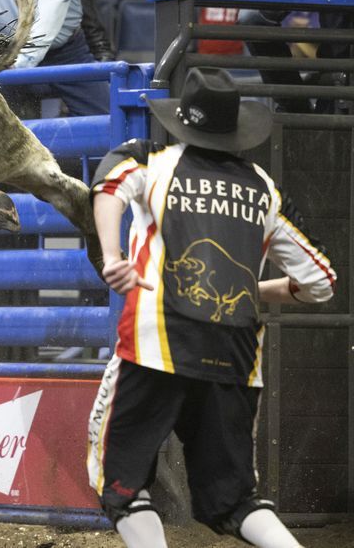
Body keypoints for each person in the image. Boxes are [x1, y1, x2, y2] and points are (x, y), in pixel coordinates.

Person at [86, 67, 335, 548]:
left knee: (119, 484)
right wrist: (249, 287)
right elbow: (320, 282)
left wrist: (113, 257)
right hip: (236, 357)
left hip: (157, 343)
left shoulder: (151, 159)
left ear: (182, 120)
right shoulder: (264, 188)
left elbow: (108, 184)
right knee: (235, 499)